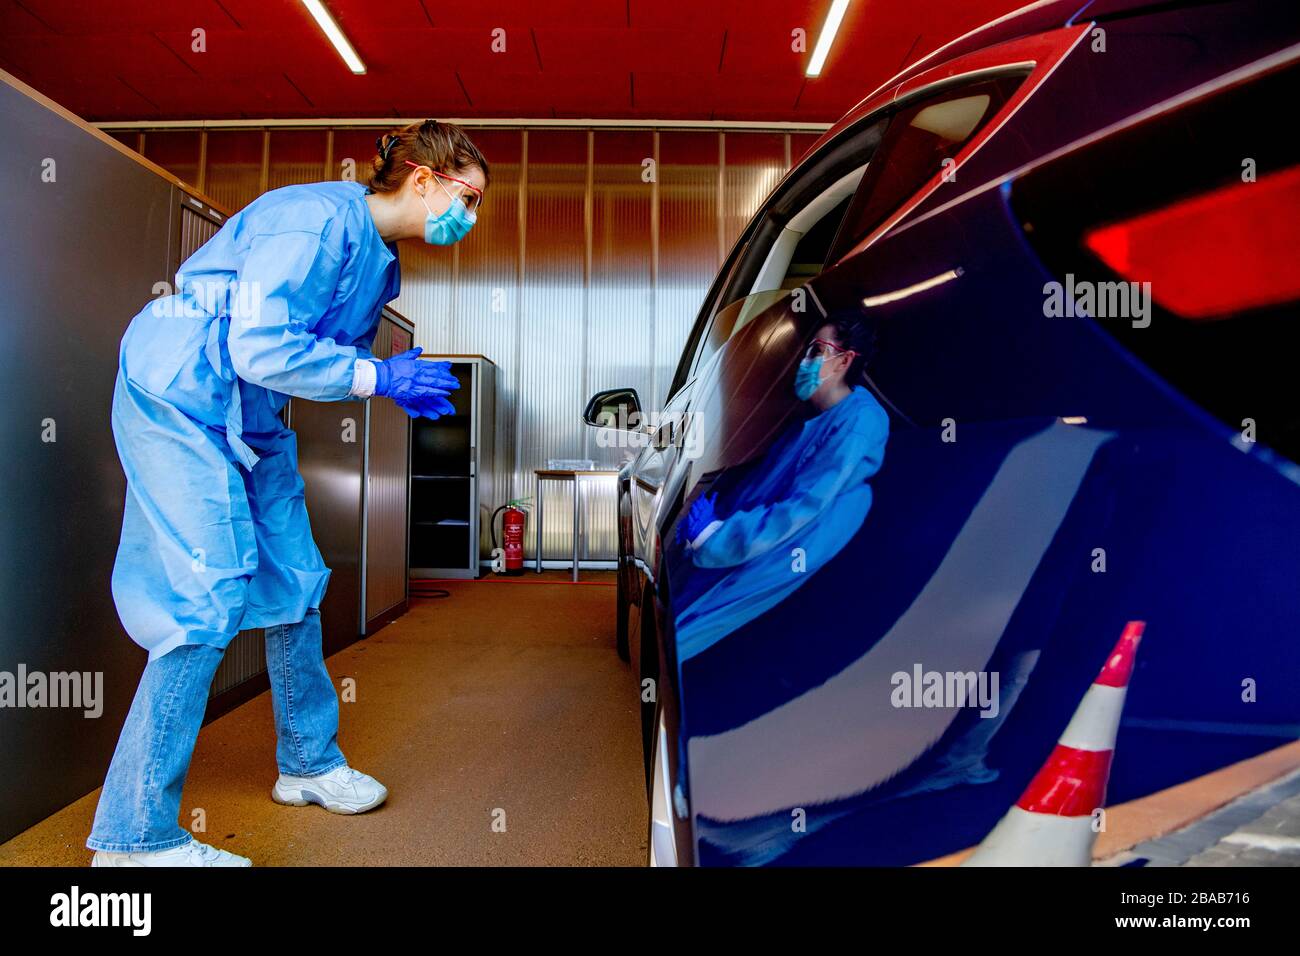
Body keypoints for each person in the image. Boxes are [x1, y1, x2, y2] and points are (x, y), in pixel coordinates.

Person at [86, 120, 490, 867]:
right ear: (424, 179)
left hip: (252, 413)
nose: (470, 216)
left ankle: (307, 763)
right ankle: (134, 836)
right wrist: (376, 377)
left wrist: (385, 382)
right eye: (467, 196)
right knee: (204, 596)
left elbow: (322, 352)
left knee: (296, 580)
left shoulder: (383, 263)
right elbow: (259, 344)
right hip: (182, 395)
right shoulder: (312, 222)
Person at [673, 311, 890, 663]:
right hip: (741, 547)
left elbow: (801, 508)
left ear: (844, 360)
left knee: (691, 629)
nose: (805, 362)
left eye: (817, 351)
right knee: (683, 620)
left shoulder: (858, 421)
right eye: (807, 351)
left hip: (776, 554)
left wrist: (716, 536)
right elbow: (765, 489)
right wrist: (713, 521)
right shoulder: (810, 421)